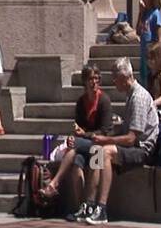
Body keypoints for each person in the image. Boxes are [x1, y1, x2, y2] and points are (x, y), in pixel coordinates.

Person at [76, 58, 159, 226]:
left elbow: (131, 139)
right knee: (97, 150)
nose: (113, 81)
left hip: (143, 150)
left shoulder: (139, 97)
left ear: (124, 77)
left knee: (105, 152)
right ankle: (90, 204)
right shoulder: (130, 96)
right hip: (133, 146)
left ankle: (102, 208)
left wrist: (107, 139)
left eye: (115, 77)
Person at [40, 63, 114, 217]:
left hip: (101, 144)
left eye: (97, 78)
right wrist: (77, 135)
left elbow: (105, 131)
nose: (94, 82)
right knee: (76, 162)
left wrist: (83, 135)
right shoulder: (81, 102)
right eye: (91, 79)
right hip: (86, 144)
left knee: (77, 149)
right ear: (85, 82)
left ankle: (54, 184)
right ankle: (83, 207)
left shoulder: (104, 101)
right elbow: (78, 126)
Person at [136, 0, 161, 88]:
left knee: (151, 82)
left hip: (151, 56)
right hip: (143, 54)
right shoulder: (144, 14)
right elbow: (138, 31)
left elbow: (159, 39)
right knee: (143, 79)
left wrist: (153, 51)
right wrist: (140, 13)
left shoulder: (155, 14)